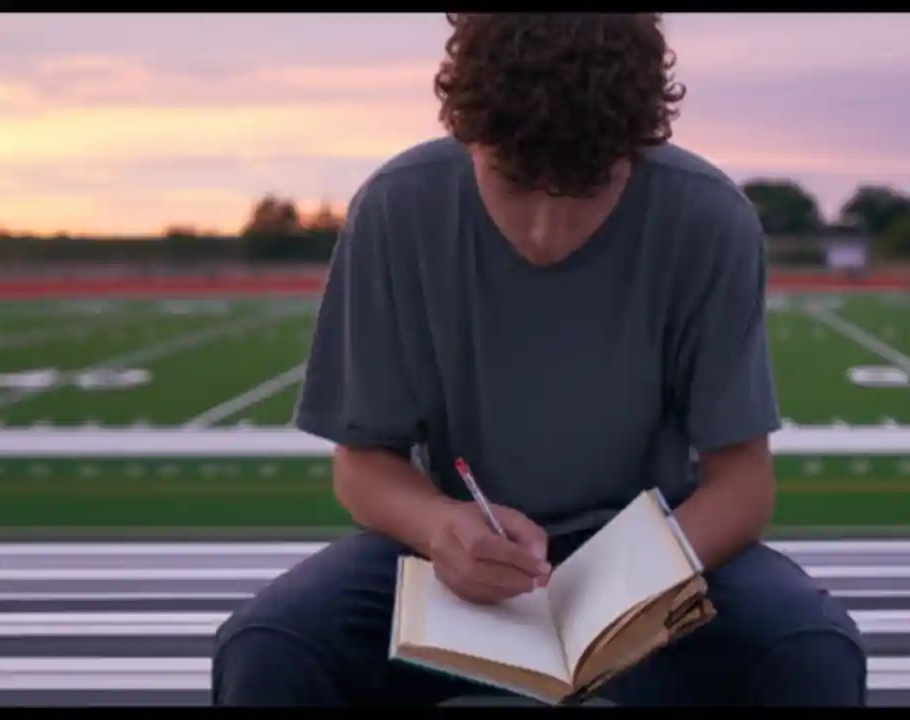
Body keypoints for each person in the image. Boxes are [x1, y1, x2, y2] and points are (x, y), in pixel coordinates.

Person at [211, 12, 867, 707]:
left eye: (585, 190)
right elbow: (363, 466)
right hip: (456, 561)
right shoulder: (395, 208)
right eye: (515, 182)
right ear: (470, 137)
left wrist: (618, 590)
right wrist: (439, 527)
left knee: (811, 652)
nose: (546, 230)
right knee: (271, 646)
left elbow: (743, 488)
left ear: (633, 150)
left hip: (661, 562)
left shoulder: (709, 218)